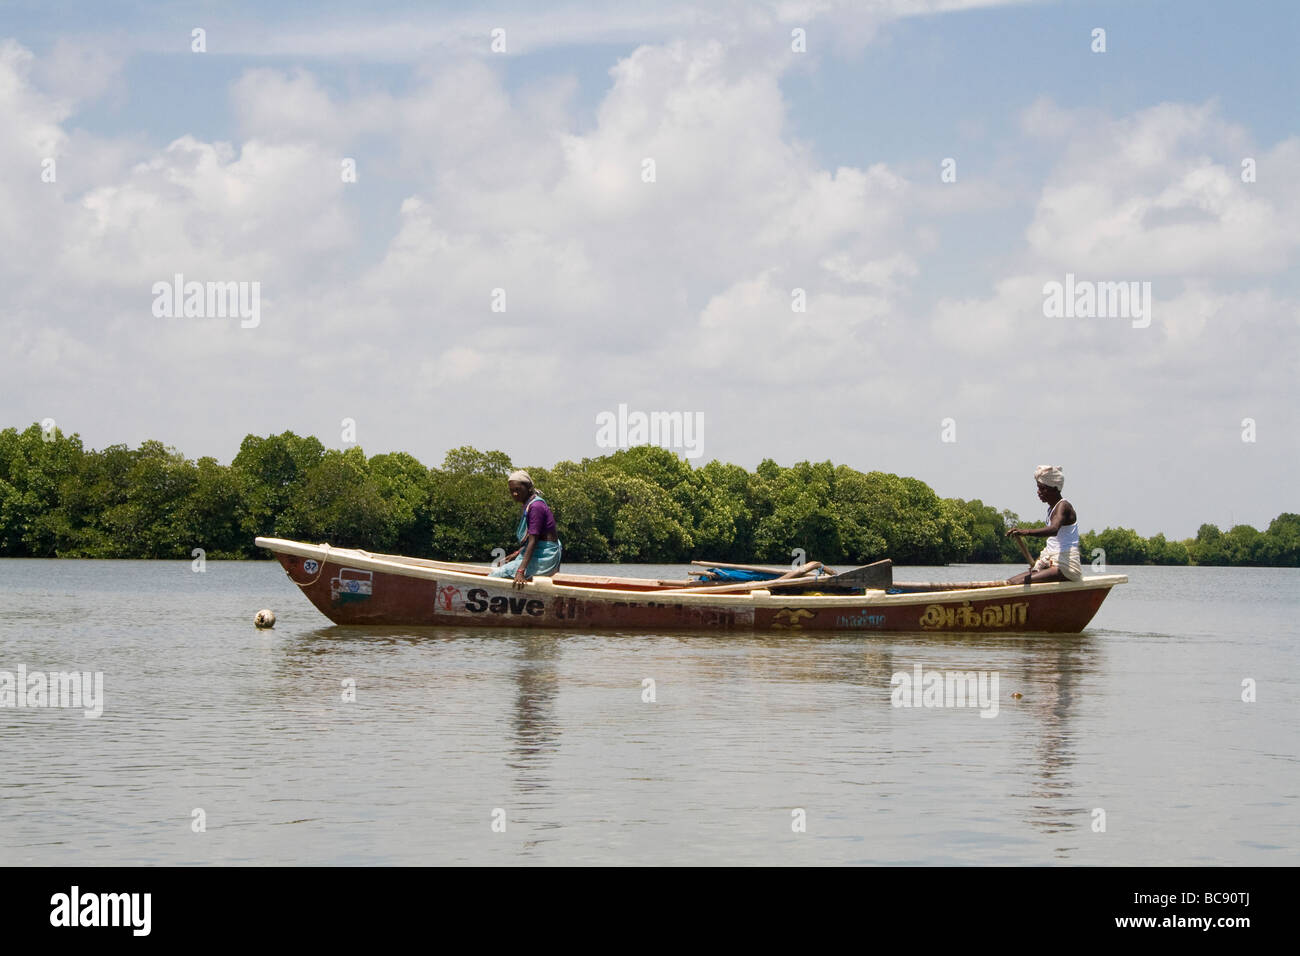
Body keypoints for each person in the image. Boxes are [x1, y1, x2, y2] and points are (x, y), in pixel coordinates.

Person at [1005, 465, 1083, 584]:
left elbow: (1054, 529)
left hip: (1066, 567)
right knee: (1010, 582)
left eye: (1042, 488)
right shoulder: (1050, 509)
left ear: (1055, 488)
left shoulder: (1063, 506)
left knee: (1019, 583)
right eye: (1038, 488)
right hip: (1052, 563)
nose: (1039, 492)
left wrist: (1026, 532)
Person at [488, 470, 562, 589]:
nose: (515, 494)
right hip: (538, 552)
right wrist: (516, 554)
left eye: (518, 490)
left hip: (544, 556)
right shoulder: (529, 504)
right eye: (512, 491)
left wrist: (520, 571)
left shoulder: (536, 506)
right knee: (504, 568)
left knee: (496, 574)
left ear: (528, 488)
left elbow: (533, 540)